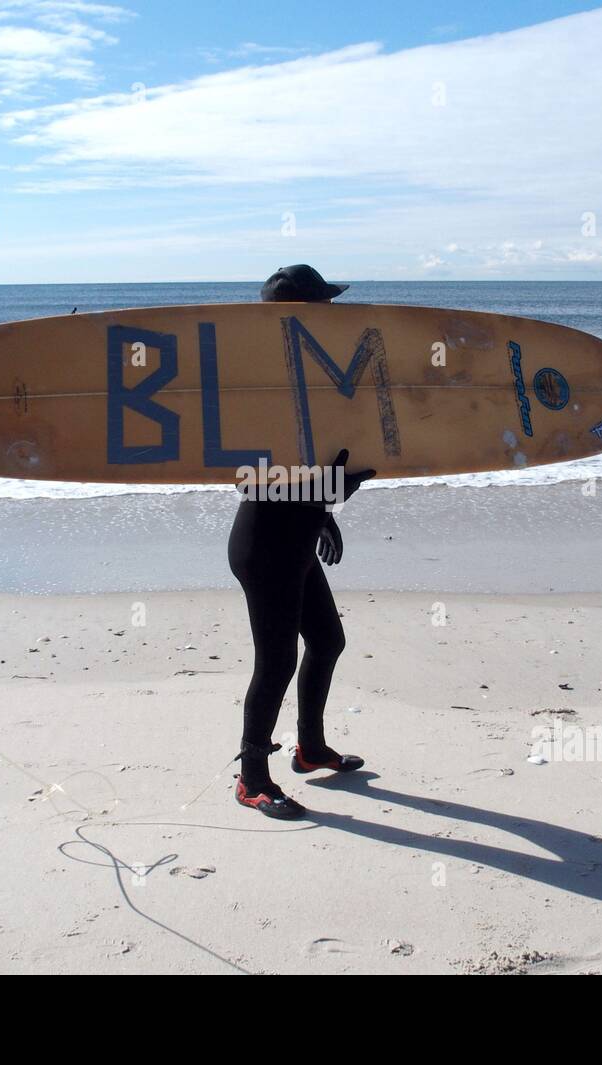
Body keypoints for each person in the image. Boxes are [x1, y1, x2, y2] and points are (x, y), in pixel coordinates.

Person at [227, 265, 374, 819]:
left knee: (328, 641)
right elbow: (252, 478)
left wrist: (323, 514)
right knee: (275, 663)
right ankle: (251, 778)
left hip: (295, 536)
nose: (333, 313)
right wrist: (338, 490)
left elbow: (302, 473)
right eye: (325, 305)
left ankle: (309, 749)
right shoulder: (262, 388)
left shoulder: (301, 380)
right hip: (265, 547)